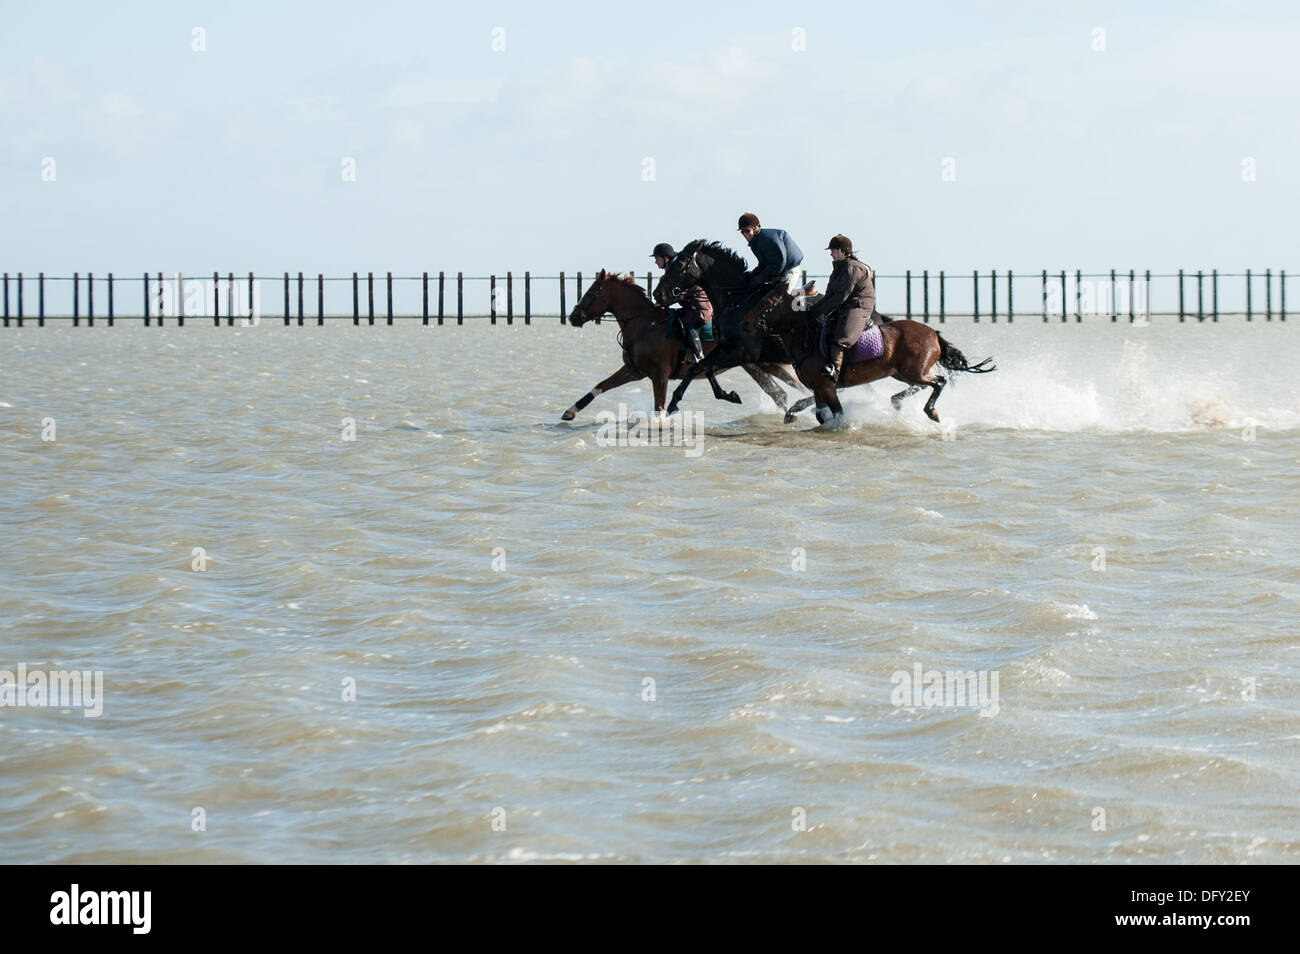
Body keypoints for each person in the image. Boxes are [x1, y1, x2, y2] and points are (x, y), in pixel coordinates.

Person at [807, 234, 876, 384]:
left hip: (860, 305)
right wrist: (813, 311)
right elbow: (829, 296)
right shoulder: (838, 269)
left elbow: (840, 297)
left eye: (833, 250)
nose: (831, 253)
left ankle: (835, 371)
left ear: (843, 251)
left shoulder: (853, 268)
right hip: (846, 305)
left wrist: (821, 311)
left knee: (840, 339)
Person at [651, 242, 713, 367]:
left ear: (665, 258)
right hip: (688, 301)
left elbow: (680, 289)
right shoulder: (671, 267)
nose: (656, 262)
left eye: (657, 258)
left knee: (688, 322)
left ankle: (699, 356)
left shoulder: (677, 266)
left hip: (698, 302)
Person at [737, 213, 804, 295]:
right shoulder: (757, 242)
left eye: (747, 231)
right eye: (742, 232)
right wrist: (752, 275)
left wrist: (758, 279)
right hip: (780, 272)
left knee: (778, 300)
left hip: (789, 271)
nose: (745, 235)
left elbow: (778, 265)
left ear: (755, 228)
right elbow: (763, 264)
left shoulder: (767, 241)